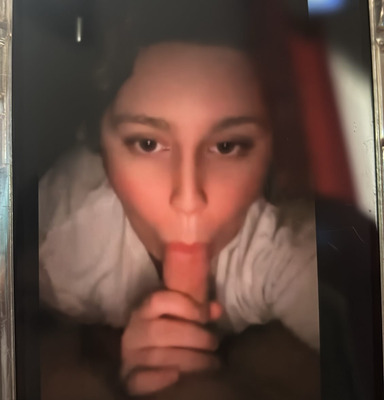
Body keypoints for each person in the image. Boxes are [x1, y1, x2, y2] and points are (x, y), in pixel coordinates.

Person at [39, 0, 319, 395]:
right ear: (99, 146)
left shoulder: (282, 243)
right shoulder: (60, 244)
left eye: (227, 147)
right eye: (148, 143)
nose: (188, 199)